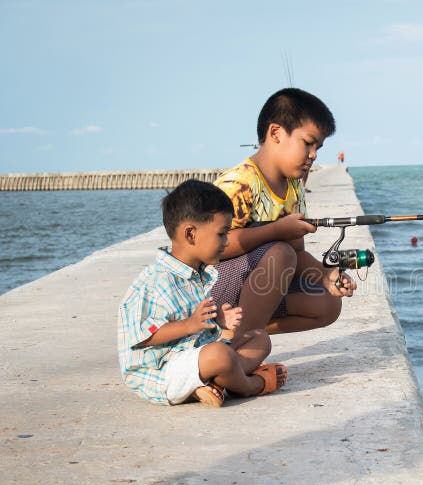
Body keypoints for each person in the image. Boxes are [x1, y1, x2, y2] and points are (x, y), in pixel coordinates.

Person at [117, 179, 287, 407]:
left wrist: (217, 321)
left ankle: (212, 385)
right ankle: (251, 385)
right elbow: (144, 335)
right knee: (220, 355)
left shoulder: (198, 275)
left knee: (259, 339)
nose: (227, 242)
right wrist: (192, 324)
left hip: (195, 356)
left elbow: (200, 332)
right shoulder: (154, 282)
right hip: (161, 371)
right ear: (190, 234)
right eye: (222, 234)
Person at [211, 88, 356, 341]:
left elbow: (297, 253)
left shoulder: (293, 189)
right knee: (280, 252)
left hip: (255, 287)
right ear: (276, 133)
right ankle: (243, 348)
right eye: (308, 143)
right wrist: (275, 231)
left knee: (327, 304)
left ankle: (234, 333)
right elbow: (213, 248)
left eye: (318, 147)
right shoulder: (240, 183)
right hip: (210, 290)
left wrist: (324, 275)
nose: (313, 155)